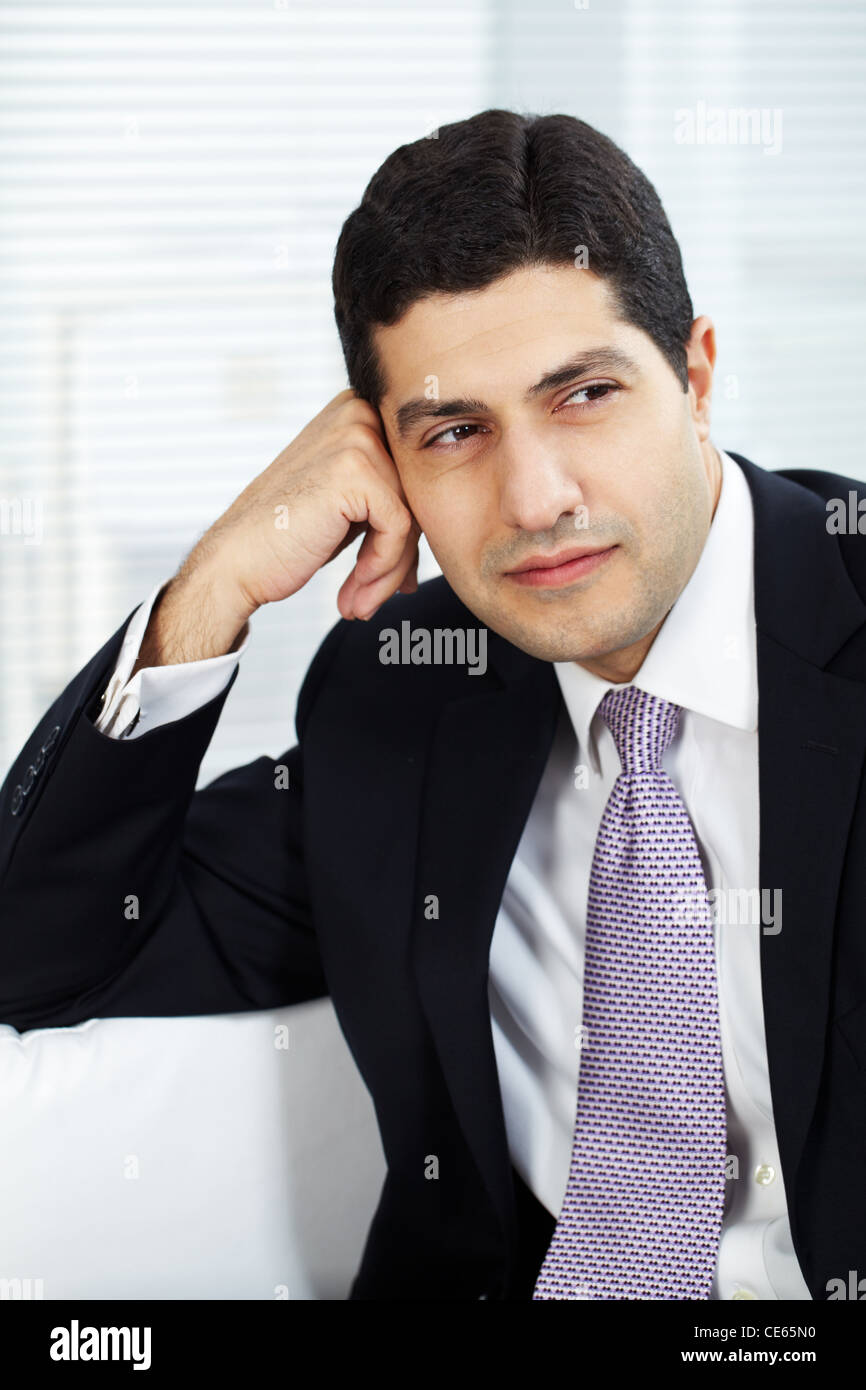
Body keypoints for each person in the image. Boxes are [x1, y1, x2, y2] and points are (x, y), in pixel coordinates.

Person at [1, 108, 864, 1302]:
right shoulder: (401, 698)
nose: (533, 496)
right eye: (453, 431)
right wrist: (213, 584)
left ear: (696, 375)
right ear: (386, 461)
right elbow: (38, 956)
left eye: (582, 395)